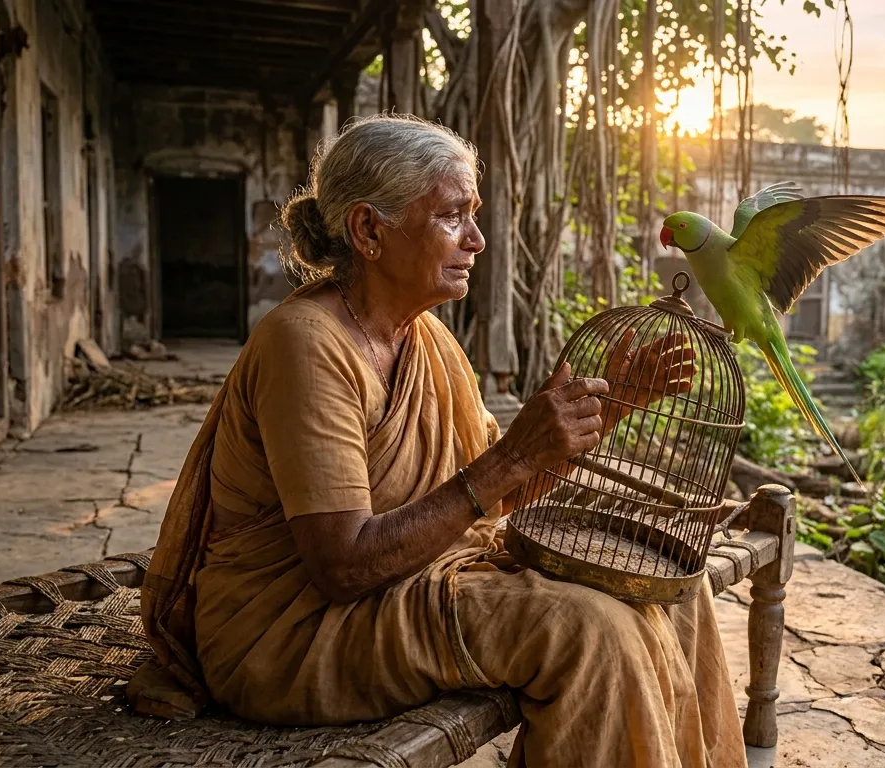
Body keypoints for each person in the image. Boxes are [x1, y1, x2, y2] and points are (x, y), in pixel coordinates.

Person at [128, 114, 745, 767]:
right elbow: (342, 567)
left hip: (413, 581)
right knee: (593, 633)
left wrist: (609, 406)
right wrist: (513, 455)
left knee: (671, 589)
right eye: (453, 215)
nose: (477, 240)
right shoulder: (306, 345)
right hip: (292, 631)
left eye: (473, 215)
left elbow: (497, 496)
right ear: (369, 230)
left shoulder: (430, 341)